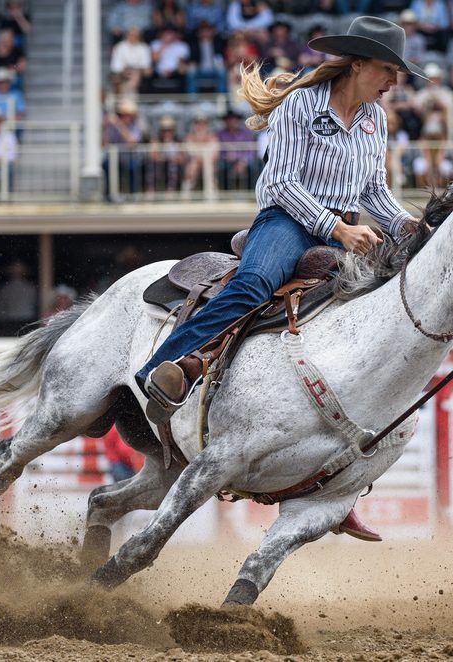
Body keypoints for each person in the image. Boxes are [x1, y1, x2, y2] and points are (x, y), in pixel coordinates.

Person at [137, 16, 423, 543]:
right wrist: (337, 227)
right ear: (358, 64)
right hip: (288, 219)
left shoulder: (374, 120)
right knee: (252, 284)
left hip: (344, 227)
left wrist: (407, 225)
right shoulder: (300, 105)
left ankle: (339, 484)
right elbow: (282, 182)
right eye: (388, 69)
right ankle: (162, 369)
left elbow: (374, 191)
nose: (394, 82)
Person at [111, 25, 153, 95]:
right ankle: (127, 98)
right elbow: (116, 66)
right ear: (127, 35)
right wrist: (125, 71)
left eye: (136, 35)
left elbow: (146, 66)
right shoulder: (119, 47)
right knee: (117, 78)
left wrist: (135, 71)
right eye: (131, 35)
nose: (133, 37)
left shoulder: (144, 48)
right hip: (122, 73)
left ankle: (125, 97)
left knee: (136, 75)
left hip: (139, 74)